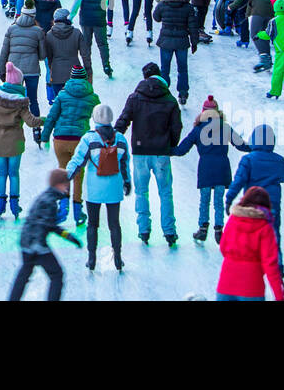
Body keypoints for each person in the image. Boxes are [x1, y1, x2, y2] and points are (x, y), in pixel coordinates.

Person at [115, 64, 182, 246]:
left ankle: (144, 229)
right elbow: (177, 127)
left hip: (140, 152)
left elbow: (124, 120)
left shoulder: (135, 98)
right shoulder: (170, 99)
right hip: (161, 153)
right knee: (166, 193)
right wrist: (171, 145)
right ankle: (169, 231)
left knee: (141, 192)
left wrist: (112, 137)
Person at [174, 94, 250, 244]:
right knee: (218, 201)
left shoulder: (198, 130)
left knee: (204, 200)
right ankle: (219, 230)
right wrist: (256, 148)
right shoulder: (224, 127)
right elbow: (241, 145)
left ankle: (202, 229)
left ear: (203, 112)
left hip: (206, 169)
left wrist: (164, 149)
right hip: (222, 168)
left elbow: (182, 149)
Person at [65, 104, 131, 271]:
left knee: (93, 224)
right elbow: (125, 164)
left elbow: (77, 161)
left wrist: (66, 177)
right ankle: (118, 258)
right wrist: (127, 182)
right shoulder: (120, 139)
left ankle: (92, 258)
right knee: (114, 224)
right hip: (114, 187)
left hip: (94, 188)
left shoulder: (89, 139)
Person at [7, 169, 82, 300]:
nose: (67, 189)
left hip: (26, 242)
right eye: (66, 185)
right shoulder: (50, 202)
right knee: (57, 274)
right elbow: (49, 226)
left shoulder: (46, 196)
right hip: (36, 245)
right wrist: (69, 237)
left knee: (24, 274)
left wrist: (68, 236)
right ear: (59, 185)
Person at [0, 63, 43, 218]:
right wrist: (45, 120)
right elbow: (31, 122)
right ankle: (15, 205)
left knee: (1, 174)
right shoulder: (21, 103)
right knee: (14, 174)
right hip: (15, 143)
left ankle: (0, 204)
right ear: (20, 83)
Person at [42, 66, 101, 227]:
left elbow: (52, 116)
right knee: (78, 174)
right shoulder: (93, 98)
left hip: (60, 139)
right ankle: (77, 210)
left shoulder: (62, 95)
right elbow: (99, 119)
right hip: (79, 141)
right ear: (85, 79)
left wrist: (45, 135)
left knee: (63, 172)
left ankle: (63, 209)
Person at [226, 124, 284, 244]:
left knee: (250, 239)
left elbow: (239, 181)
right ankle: (277, 262)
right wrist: (274, 176)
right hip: (272, 205)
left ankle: (252, 260)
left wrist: (229, 199)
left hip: (252, 205)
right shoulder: (278, 160)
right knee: (273, 238)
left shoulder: (248, 159)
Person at [215, 186, 284, 301]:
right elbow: (270, 264)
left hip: (226, 285)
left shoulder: (233, 220)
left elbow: (223, 248)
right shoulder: (265, 227)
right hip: (252, 288)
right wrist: (279, 296)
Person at [151, 0, 199, 105]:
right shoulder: (188, 7)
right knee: (182, 69)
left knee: (165, 69)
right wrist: (194, 42)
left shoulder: (163, 4)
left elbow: (156, 17)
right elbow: (193, 26)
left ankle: (163, 92)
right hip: (182, 42)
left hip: (166, 41)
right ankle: (183, 93)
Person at [0, 0, 48, 118]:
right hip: (32, 71)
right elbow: (42, 56)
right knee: (33, 100)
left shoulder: (11, 29)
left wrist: (1, 70)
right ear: (34, 15)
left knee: (13, 100)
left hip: (14, 71)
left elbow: (4, 52)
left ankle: (12, 126)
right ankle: (36, 129)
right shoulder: (38, 31)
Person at [229, 0, 275, 70]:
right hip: (269, 9)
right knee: (264, 34)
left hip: (258, 10)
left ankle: (264, 58)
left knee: (255, 33)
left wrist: (233, 5)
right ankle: (266, 59)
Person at [68, 0, 112, 78]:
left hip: (86, 20)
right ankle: (106, 66)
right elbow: (107, 5)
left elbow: (76, 5)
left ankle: (87, 68)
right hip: (100, 20)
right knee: (102, 44)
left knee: (86, 44)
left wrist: (70, 18)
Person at [43, 8, 90, 113]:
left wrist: (51, 71)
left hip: (56, 75)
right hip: (75, 75)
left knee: (60, 107)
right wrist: (88, 71)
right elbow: (85, 55)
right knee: (75, 107)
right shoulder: (77, 33)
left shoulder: (49, 35)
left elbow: (49, 57)